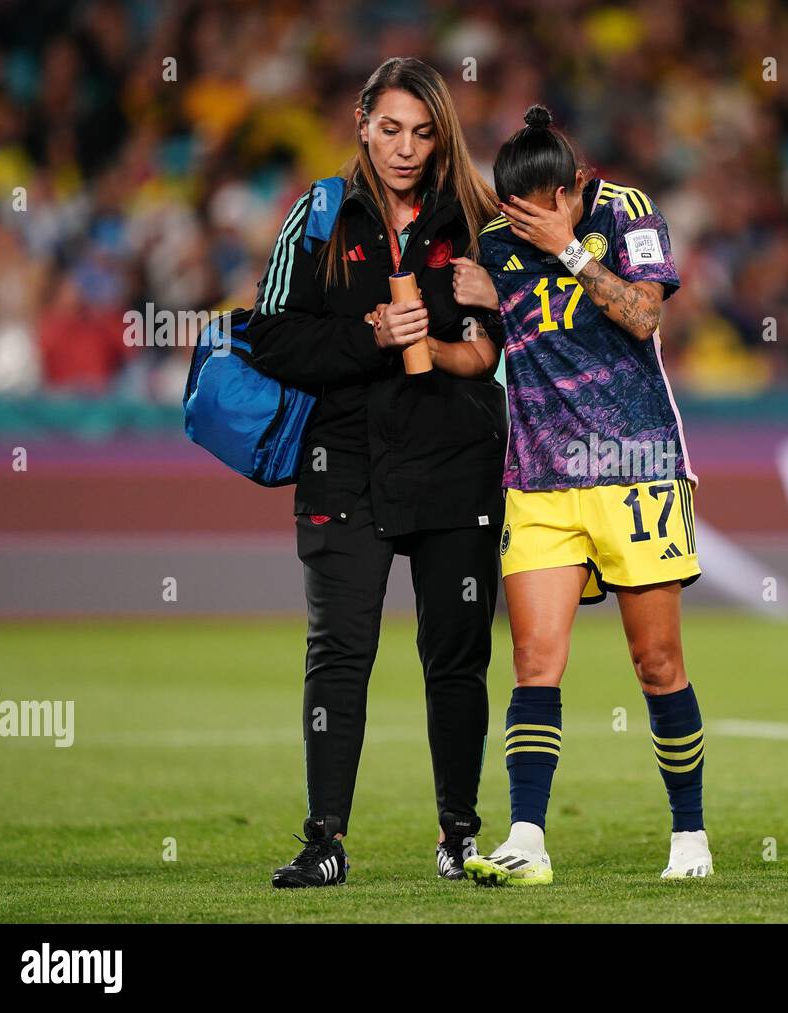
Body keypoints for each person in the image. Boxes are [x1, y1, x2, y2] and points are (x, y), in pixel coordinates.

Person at [246, 57, 507, 886]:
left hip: (456, 465)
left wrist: (499, 303)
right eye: (389, 128)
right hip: (344, 464)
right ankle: (325, 839)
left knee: (456, 659)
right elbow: (269, 337)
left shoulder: (478, 220)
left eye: (422, 132)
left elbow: (525, 336)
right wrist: (374, 337)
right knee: (338, 652)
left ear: (442, 136)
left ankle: (459, 835)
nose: (404, 148)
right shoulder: (318, 214)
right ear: (361, 124)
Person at [445, 105, 712, 885]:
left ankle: (688, 832)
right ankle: (526, 836)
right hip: (539, 477)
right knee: (533, 658)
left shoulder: (627, 214)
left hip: (637, 468)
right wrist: (445, 334)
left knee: (657, 661)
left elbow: (641, 314)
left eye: (540, 211)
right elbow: (490, 351)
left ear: (574, 189)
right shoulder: (495, 245)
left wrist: (564, 251)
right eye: (513, 214)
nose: (522, 224)